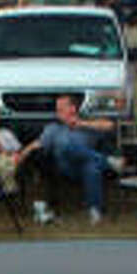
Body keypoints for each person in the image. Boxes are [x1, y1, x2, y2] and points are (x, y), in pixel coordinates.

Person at [18, 94, 123, 225]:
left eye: (61, 108)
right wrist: (21, 155)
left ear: (73, 109)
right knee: (66, 146)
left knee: (92, 168)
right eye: (57, 109)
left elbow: (109, 125)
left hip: (85, 166)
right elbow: (37, 144)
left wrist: (82, 124)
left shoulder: (87, 126)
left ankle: (94, 210)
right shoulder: (54, 129)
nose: (58, 112)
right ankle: (107, 161)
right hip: (65, 167)